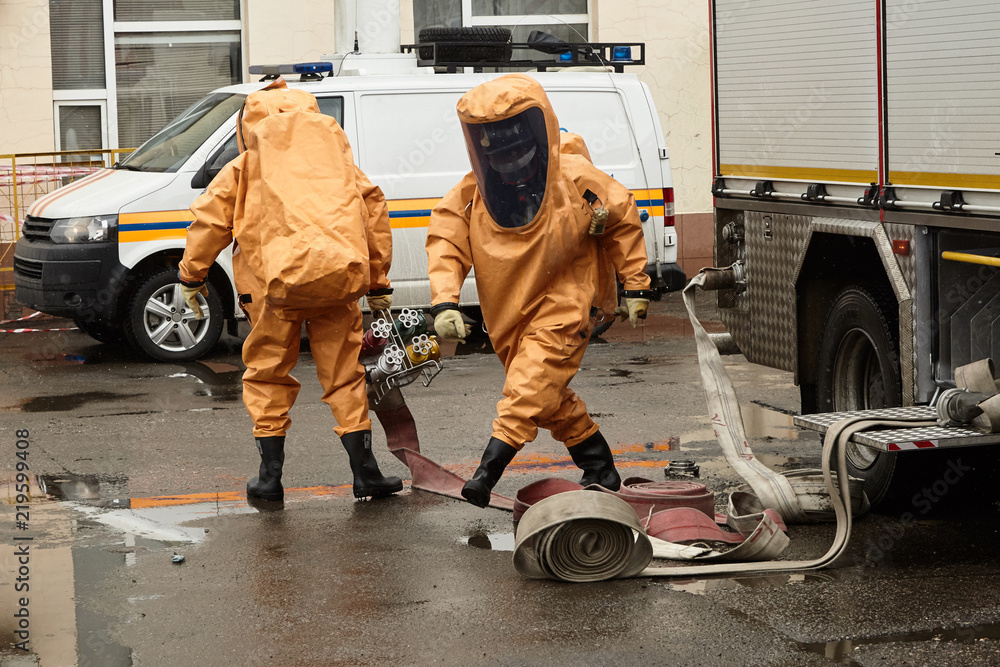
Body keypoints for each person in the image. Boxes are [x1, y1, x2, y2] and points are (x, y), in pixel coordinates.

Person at [425, 73, 655, 508]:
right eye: (501, 154)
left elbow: (622, 217)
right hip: (509, 310)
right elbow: (446, 240)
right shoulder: (473, 192)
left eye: (519, 151)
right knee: (545, 396)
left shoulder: (574, 178)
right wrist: (444, 302)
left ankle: (486, 472)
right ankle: (600, 469)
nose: (512, 164)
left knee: (528, 387)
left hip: (569, 300)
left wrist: (636, 285)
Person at [177, 78, 401, 503]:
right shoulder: (339, 167)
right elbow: (374, 214)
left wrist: (192, 277)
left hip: (271, 291)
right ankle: (365, 473)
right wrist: (378, 283)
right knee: (344, 376)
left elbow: (209, 225)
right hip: (337, 284)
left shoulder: (244, 169)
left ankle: (269, 478)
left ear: (251, 125)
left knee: (267, 375)